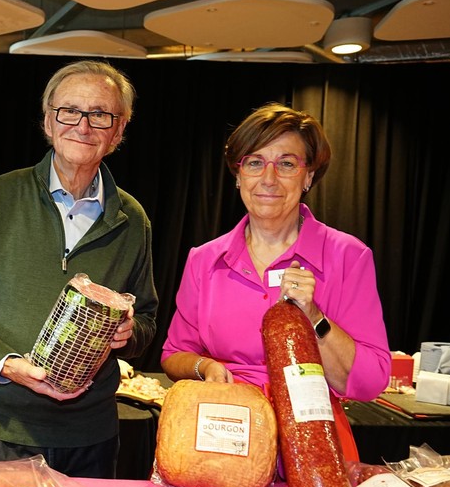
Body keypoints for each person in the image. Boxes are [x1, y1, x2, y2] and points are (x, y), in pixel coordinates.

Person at [0, 60, 158, 479]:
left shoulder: (133, 220)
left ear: (119, 130)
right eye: (69, 111)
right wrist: (7, 364)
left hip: (90, 435)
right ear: (48, 122)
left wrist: (129, 333)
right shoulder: (0, 197)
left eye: (100, 114)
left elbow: (145, 319)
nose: (83, 126)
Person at [161, 103, 390, 459]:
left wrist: (315, 318)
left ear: (308, 176)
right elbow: (174, 355)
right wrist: (204, 367)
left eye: (286, 164)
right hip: (223, 438)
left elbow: (370, 381)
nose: (268, 178)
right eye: (254, 163)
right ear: (238, 175)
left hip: (311, 446)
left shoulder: (348, 256)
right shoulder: (204, 260)